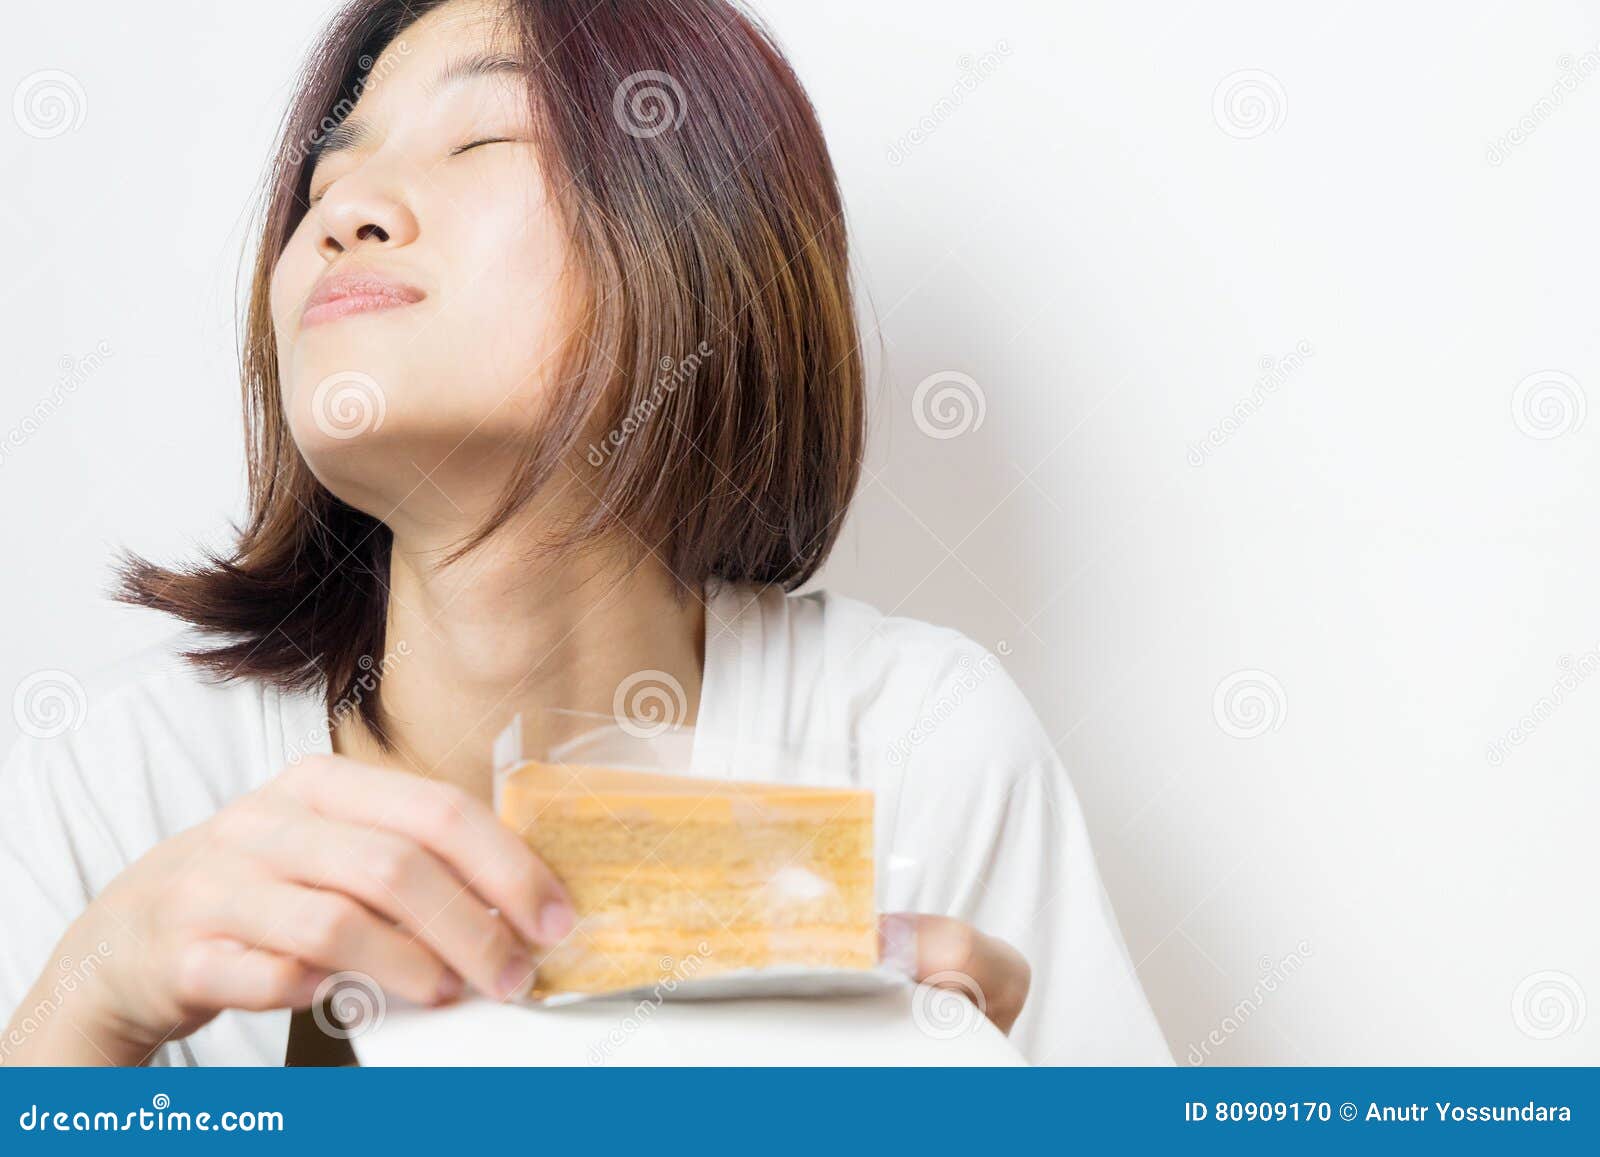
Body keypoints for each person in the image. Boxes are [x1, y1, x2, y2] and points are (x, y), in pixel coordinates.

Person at [0, 0, 1167, 1066]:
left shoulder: (910, 745)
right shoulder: (122, 781)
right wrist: (81, 1013)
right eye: (323, 181)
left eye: (479, 141)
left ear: (700, 237)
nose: (341, 215)